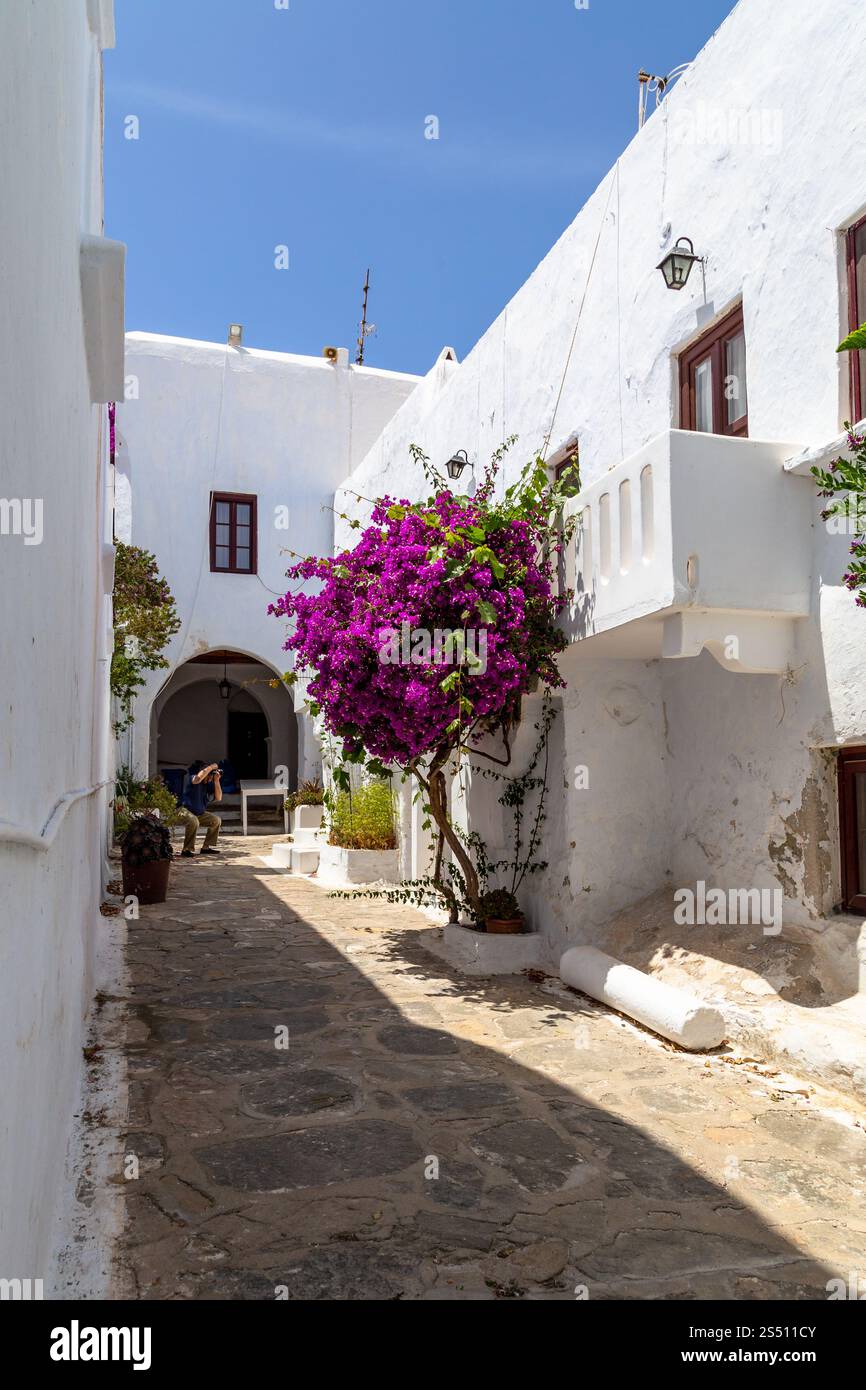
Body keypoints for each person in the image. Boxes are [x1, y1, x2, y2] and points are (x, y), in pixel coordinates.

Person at [176, 760, 222, 857]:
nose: (210, 778)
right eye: (209, 776)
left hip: (198, 813)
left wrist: (216, 781)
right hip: (183, 810)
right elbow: (197, 779)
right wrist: (210, 767)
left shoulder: (207, 784)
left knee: (216, 820)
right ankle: (186, 850)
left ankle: (206, 847)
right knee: (193, 821)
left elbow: (218, 798)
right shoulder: (193, 777)